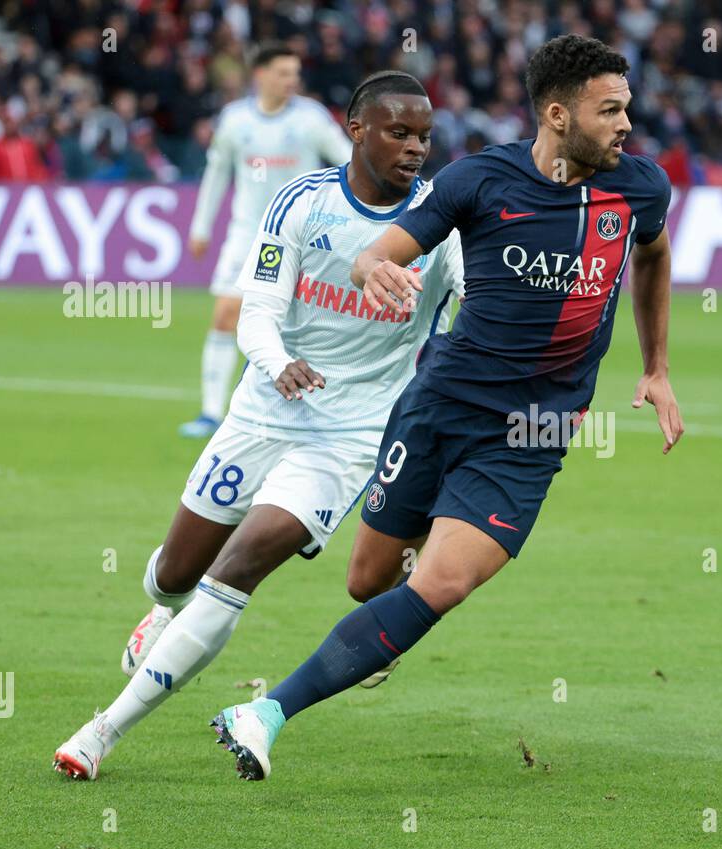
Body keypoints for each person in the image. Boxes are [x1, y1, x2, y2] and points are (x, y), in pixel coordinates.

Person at [209, 35, 685, 781]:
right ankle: (384, 627)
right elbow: (384, 250)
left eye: (627, 108)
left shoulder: (641, 188)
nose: (628, 124)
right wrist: (372, 268)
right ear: (558, 115)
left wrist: (656, 366)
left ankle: (263, 713)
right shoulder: (477, 181)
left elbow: (653, 255)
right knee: (369, 581)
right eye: (611, 110)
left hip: (533, 433)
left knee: (442, 584)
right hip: (440, 405)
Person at [53, 72, 462, 779]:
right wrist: (278, 365)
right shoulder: (302, 204)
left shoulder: (443, 225)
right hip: (264, 411)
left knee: (240, 565)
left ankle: (101, 732)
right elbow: (258, 311)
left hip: (349, 438)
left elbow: (465, 323)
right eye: (399, 132)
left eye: (424, 135)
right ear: (356, 127)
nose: (415, 148)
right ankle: (162, 609)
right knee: (175, 573)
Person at [180, 44, 352, 439]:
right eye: (283, 73)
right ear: (260, 75)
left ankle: (306, 406)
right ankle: (210, 412)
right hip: (246, 233)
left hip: (300, 236)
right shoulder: (235, 120)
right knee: (226, 312)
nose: (292, 80)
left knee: (298, 322)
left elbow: (348, 164)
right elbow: (217, 173)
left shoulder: (311, 119)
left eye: (295, 73)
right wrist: (201, 227)